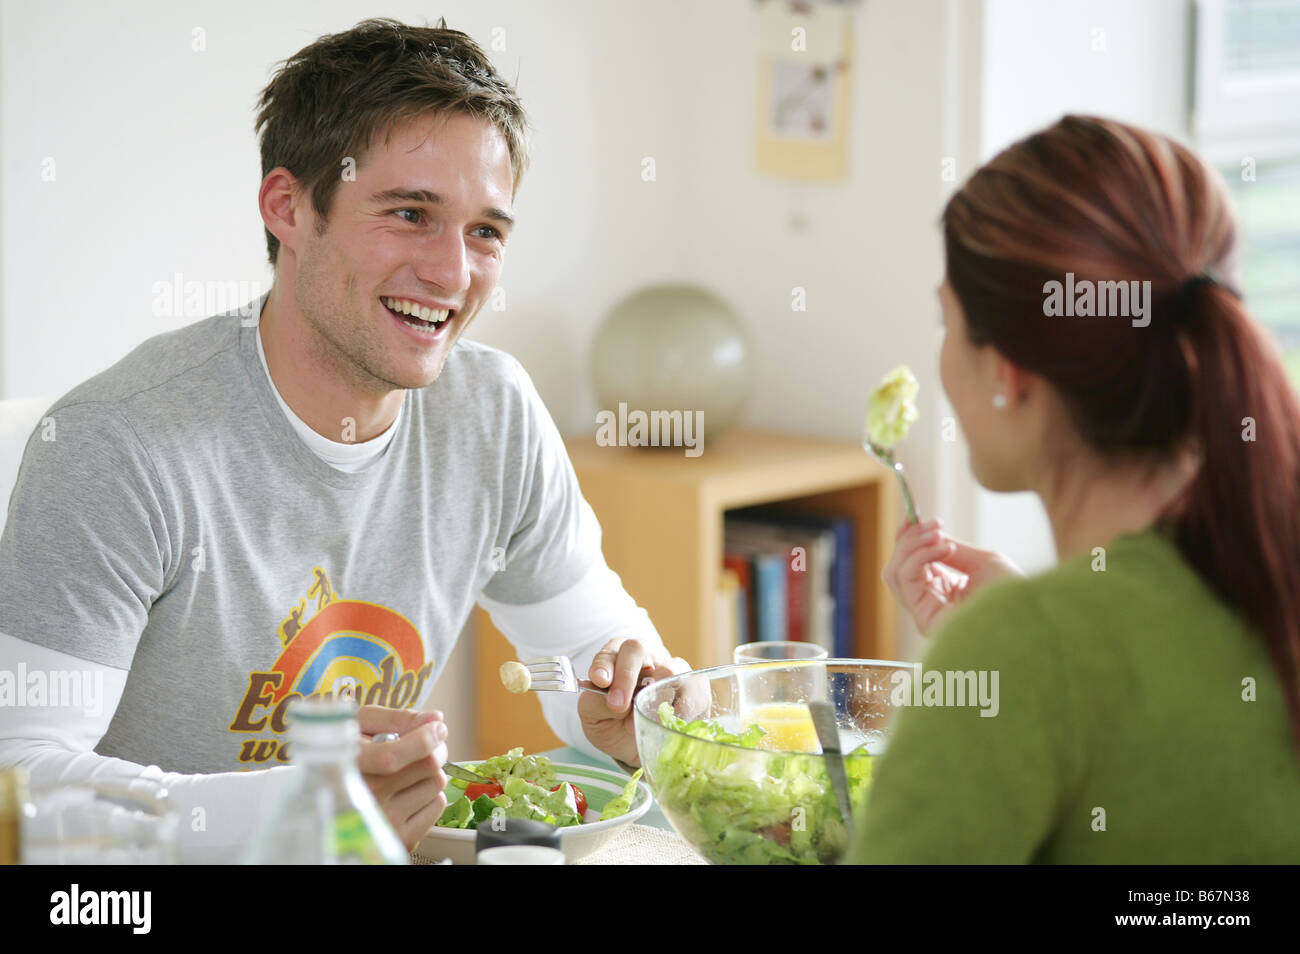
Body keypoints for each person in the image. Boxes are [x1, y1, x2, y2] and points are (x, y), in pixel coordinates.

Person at [0, 18, 687, 863]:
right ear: (289, 208)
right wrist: (300, 810)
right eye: (409, 213)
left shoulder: (494, 412)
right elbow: (18, 788)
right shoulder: (117, 446)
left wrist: (623, 711)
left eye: (486, 232)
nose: (452, 273)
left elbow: (591, 655)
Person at [851, 115, 1300, 863]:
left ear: (1008, 372)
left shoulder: (1019, 655)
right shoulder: (1263, 571)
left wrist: (1017, 653)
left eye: (947, 320)